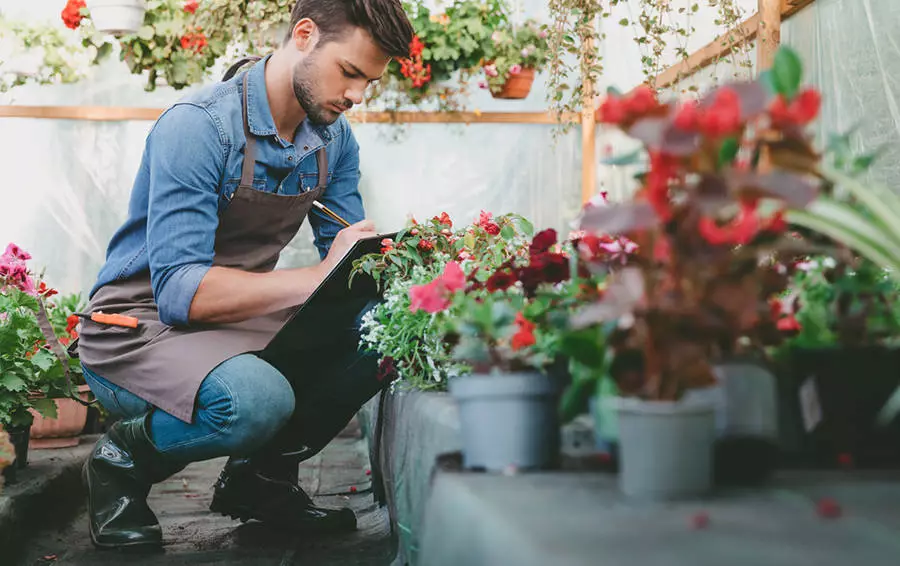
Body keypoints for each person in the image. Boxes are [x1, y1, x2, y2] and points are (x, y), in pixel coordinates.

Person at [76, 0, 413, 549]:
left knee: (378, 330)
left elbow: (352, 273)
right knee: (256, 401)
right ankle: (122, 461)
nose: (357, 95)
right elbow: (180, 294)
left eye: (369, 81)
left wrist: (419, 275)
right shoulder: (198, 127)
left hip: (230, 324)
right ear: (303, 35)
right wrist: (319, 275)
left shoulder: (332, 140)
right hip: (135, 330)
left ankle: (261, 480)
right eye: (350, 73)